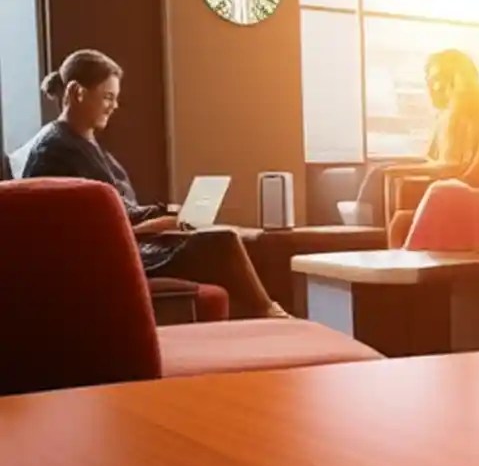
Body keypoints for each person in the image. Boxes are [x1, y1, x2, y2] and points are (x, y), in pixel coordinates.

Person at [22, 49, 286, 319]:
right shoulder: (56, 151)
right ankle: (270, 314)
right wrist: (160, 224)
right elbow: (89, 230)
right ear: (77, 92)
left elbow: (119, 208)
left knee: (238, 238)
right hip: (109, 257)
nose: (114, 105)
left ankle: (257, 322)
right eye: (108, 97)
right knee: (222, 242)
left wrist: (165, 211)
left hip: (130, 243)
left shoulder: (84, 144)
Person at [355, 49, 479, 226]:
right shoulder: (443, 119)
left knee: (395, 197)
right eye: (428, 79)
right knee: (380, 176)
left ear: (458, 80)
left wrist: (424, 182)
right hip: (457, 191)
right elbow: (432, 162)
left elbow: (478, 178)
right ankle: (364, 232)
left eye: (436, 79)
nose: (429, 86)